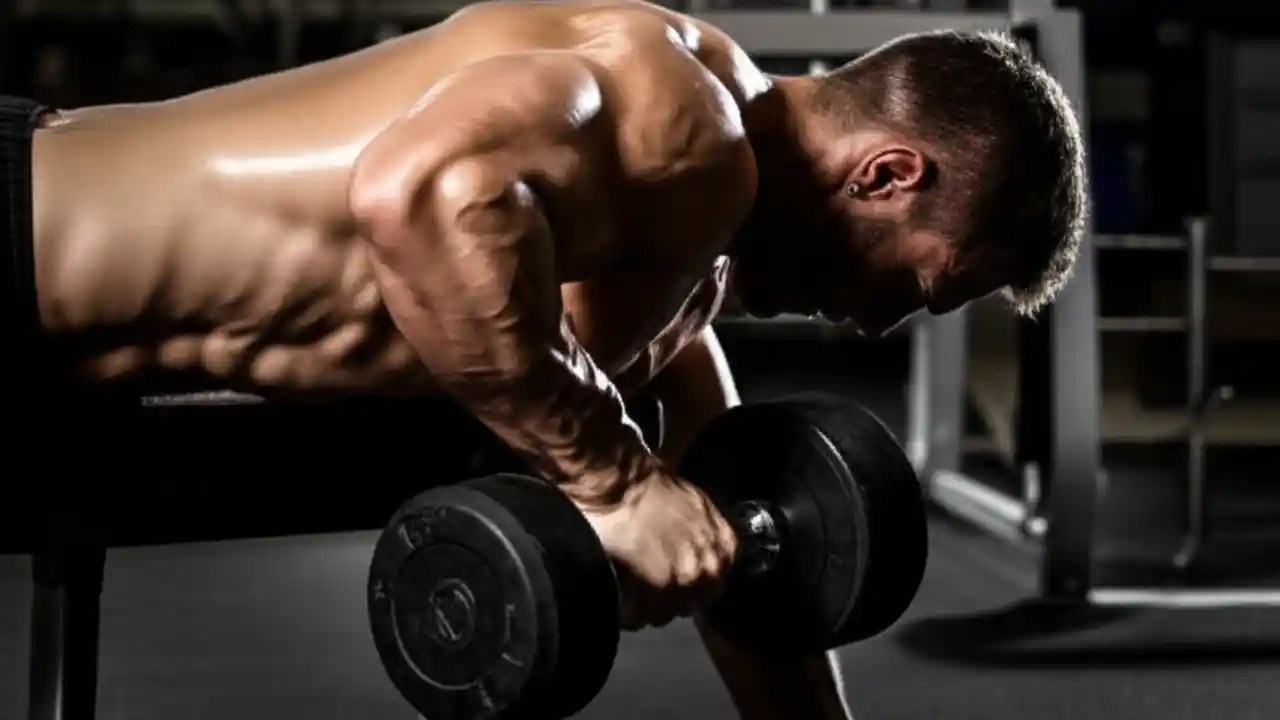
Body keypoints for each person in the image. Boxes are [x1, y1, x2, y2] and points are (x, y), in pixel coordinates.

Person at [0, 0, 1087, 717]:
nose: (877, 326)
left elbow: (721, 530)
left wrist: (656, 500)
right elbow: (422, 194)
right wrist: (609, 478)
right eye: (918, 285)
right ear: (888, 174)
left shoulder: (680, 267)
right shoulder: (682, 111)